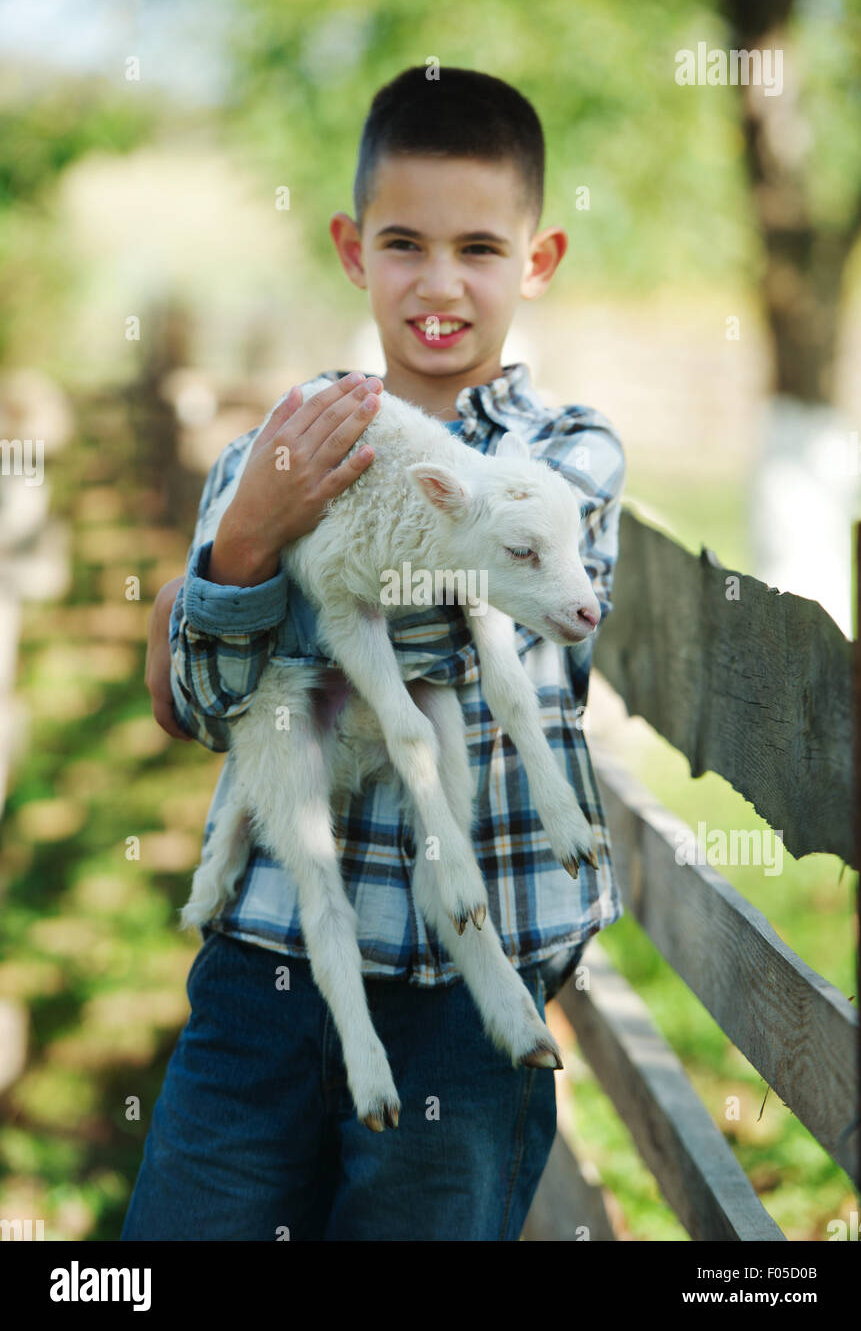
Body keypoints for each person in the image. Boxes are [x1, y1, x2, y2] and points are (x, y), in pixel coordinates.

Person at [122, 64, 626, 1242]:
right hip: (267, 955)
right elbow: (195, 700)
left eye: (481, 250)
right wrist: (247, 537)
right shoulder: (282, 450)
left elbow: (486, 607)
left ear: (537, 261)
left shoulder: (564, 460)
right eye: (405, 243)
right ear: (354, 249)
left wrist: (261, 573)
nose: (439, 284)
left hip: (470, 982)